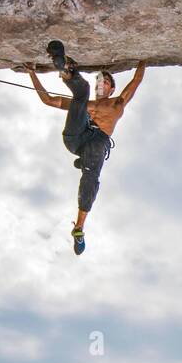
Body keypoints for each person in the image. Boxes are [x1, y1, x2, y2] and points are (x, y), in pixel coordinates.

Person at [28, 40, 146, 255]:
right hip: (76, 137)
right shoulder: (86, 105)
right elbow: (48, 100)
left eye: (105, 81)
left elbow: (137, 80)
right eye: (100, 79)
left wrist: (144, 58)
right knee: (81, 91)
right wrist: (32, 74)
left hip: (96, 142)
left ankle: (79, 227)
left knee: (91, 175)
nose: (101, 83)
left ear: (112, 88)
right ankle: (65, 69)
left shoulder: (117, 104)